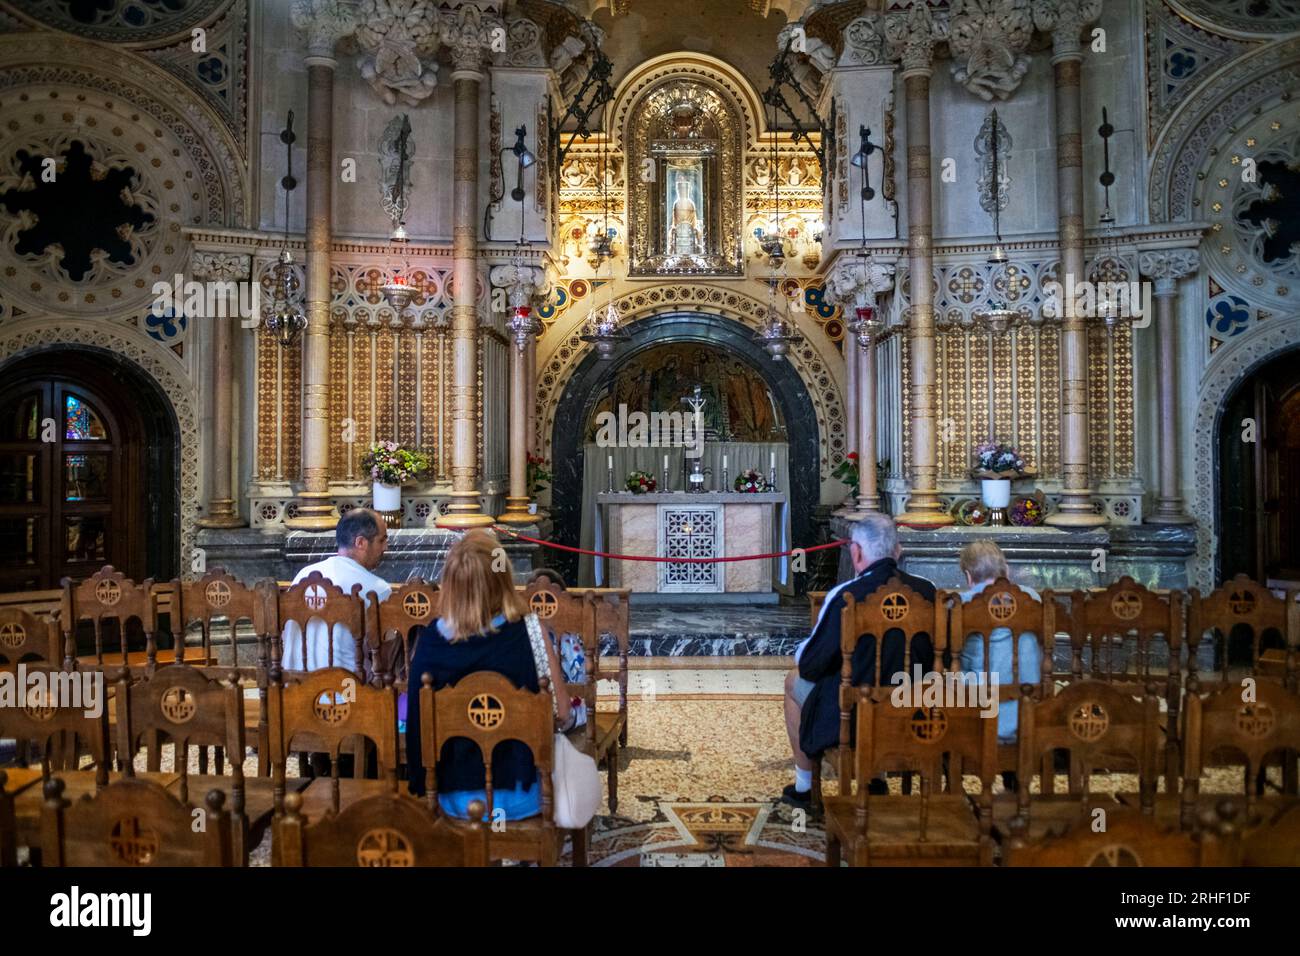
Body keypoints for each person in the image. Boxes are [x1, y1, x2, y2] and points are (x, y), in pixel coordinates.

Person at [405, 530, 573, 821]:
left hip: (452, 797)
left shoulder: (430, 640)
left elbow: (417, 721)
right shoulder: (531, 631)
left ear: (449, 584)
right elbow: (562, 713)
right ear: (502, 580)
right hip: (523, 795)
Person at [781, 514, 936, 809]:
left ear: (856, 552)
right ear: (898, 550)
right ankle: (873, 777)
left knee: (794, 680)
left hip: (852, 715)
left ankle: (803, 787)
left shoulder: (847, 595)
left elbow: (812, 664)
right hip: (916, 710)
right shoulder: (927, 591)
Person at [281, 507, 391, 674]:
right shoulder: (376, 588)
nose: (386, 548)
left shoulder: (304, 576)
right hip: (349, 692)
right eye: (381, 540)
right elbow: (384, 655)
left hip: (294, 689)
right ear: (360, 542)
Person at [957, 540, 1042, 747]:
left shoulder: (960, 604)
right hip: (1029, 711)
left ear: (968, 576)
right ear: (1007, 571)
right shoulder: (1031, 597)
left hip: (978, 718)